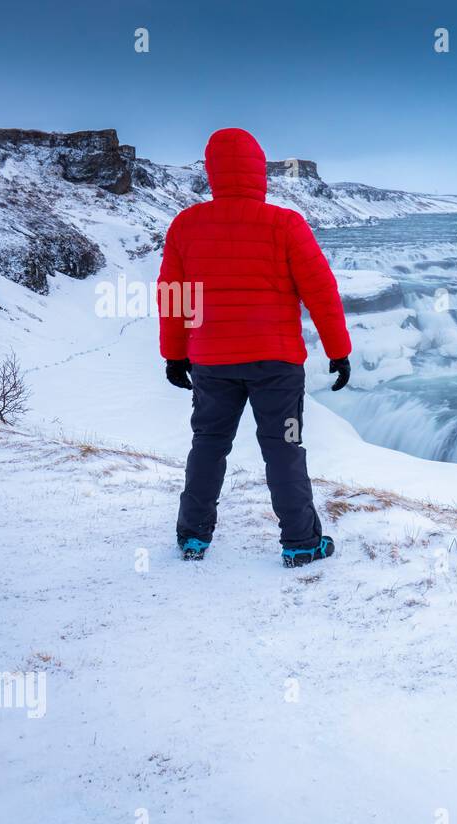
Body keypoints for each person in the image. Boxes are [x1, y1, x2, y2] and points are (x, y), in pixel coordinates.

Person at [157, 127, 352, 568]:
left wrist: (174, 353)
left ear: (213, 172)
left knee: (208, 443)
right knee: (284, 448)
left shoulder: (186, 225)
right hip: (276, 365)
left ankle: (192, 538)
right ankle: (301, 543)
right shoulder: (285, 224)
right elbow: (321, 291)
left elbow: (172, 295)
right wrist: (337, 350)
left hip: (212, 362)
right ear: (258, 171)